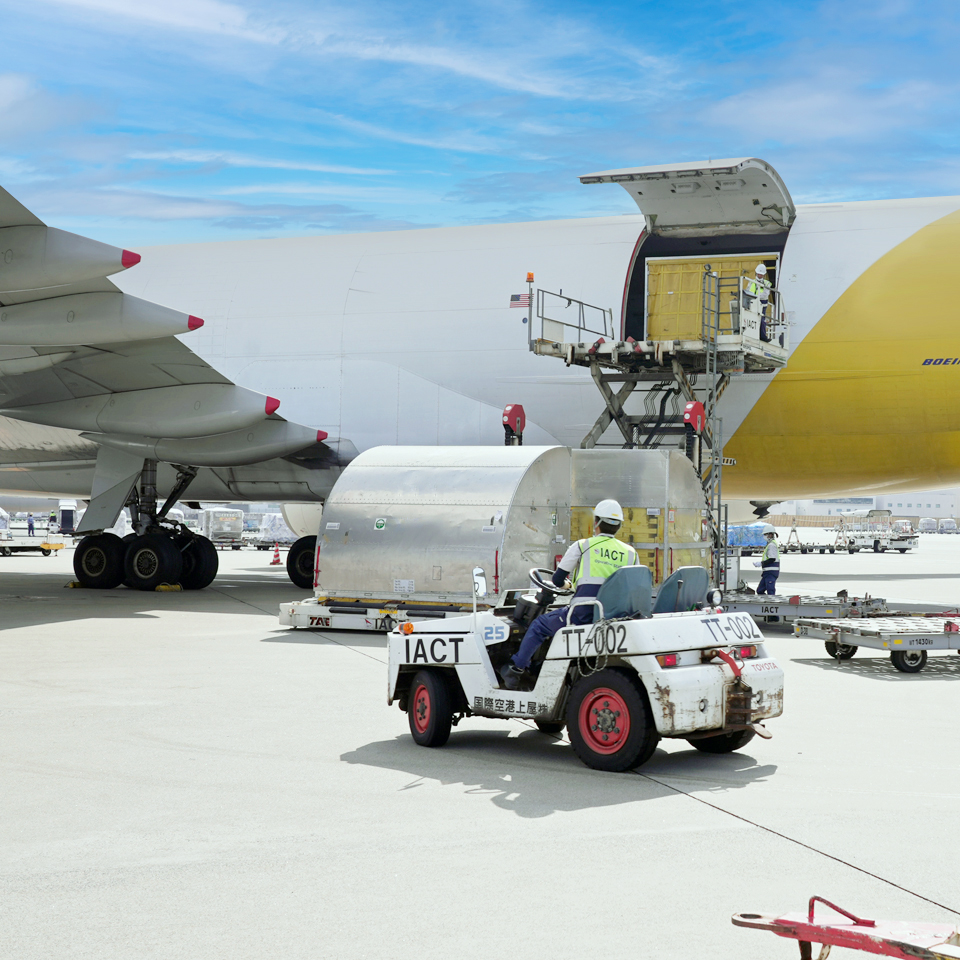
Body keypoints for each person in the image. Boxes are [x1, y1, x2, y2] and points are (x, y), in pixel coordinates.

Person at [501, 499, 641, 690]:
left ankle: (515, 669)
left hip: (582, 614)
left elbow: (557, 581)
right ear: (619, 525)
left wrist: (567, 584)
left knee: (539, 625)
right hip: (613, 616)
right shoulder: (631, 553)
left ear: (597, 522)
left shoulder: (583, 546)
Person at [754, 523, 780, 595]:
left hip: (771, 573)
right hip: (767, 572)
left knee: (770, 591)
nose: (764, 536)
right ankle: (764, 602)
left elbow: (772, 559)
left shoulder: (771, 545)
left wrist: (761, 563)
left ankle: (771, 604)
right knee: (760, 590)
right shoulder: (769, 544)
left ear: (770, 535)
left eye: (765, 535)